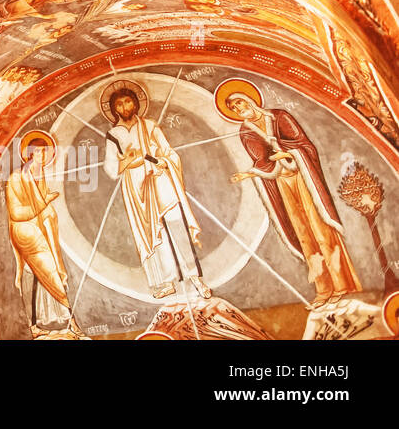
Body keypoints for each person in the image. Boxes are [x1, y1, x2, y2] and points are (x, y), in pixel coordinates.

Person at [221, 81, 361, 308]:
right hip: (282, 182)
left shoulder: (278, 117)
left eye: (240, 103)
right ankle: (324, 290)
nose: (239, 109)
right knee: (304, 233)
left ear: (249, 100)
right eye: (234, 108)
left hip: (303, 178)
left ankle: (342, 284)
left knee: (320, 228)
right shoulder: (246, 131)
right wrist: (253, 171)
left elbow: (304, 145)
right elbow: (260, 159)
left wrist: (285, 152)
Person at [100, 80, 208, 300]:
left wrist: (163, 162)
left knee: (176, 225)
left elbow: (169, 152)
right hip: (135, 188)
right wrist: (128, 161)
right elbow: (111, 168)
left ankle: (194, 277)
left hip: (160, 180)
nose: (124, 107)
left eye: (128, 101)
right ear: (114, 109)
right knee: (151, 234)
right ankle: (166, 281)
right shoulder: (114, 136)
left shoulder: (149, 126)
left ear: (135, 104)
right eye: (119, 104)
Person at [6, 131, 82, 337]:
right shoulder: (16, 178)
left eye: (44, 152)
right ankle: (61, 320)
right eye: (38, 152)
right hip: (25, 232)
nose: (42, 156)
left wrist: (46, 209)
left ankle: (50, 320)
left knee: (51, 271)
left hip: (39, 229)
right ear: (29, 154)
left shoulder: (40, 178)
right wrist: (44, 203)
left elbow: (44, 211)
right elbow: (17, 213)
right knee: (48, 270)